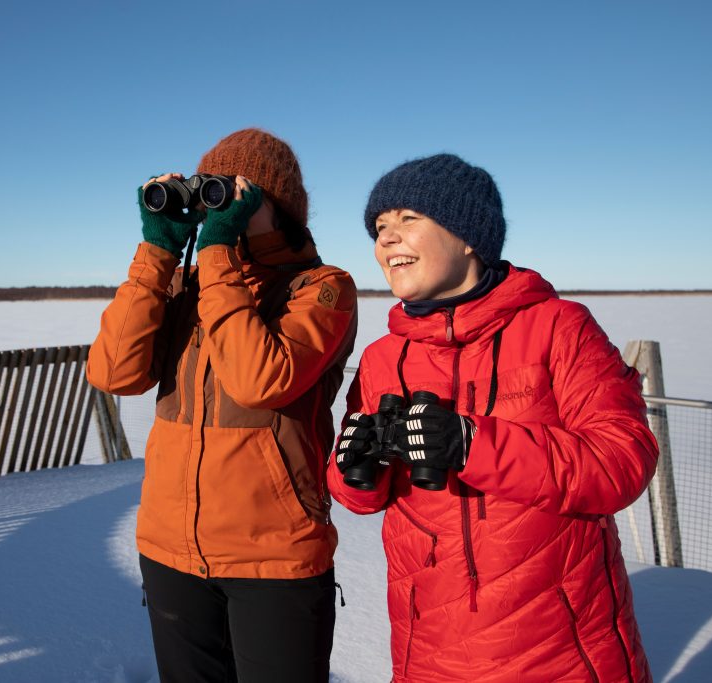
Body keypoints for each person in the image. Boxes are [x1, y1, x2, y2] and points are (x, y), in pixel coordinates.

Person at [327, 153, 658, 682]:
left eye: (408, 218)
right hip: (428, 650)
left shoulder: (559, 328)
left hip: (560, 652)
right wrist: (353, 468)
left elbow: (620, 462)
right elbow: (359, 499)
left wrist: (470, 443)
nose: (387, 238)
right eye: (380, 227)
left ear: (468, 236)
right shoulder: (383, 357)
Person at [86, 128, 358, 682]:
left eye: (236, 191)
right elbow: (113, 373)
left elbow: (260, 381)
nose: (219, 204)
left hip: (275, 556)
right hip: (170, 548)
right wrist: (157, 252)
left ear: (277, 206)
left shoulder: (321, 288)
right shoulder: (186, 286)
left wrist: (216, 252)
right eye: (210, 188)